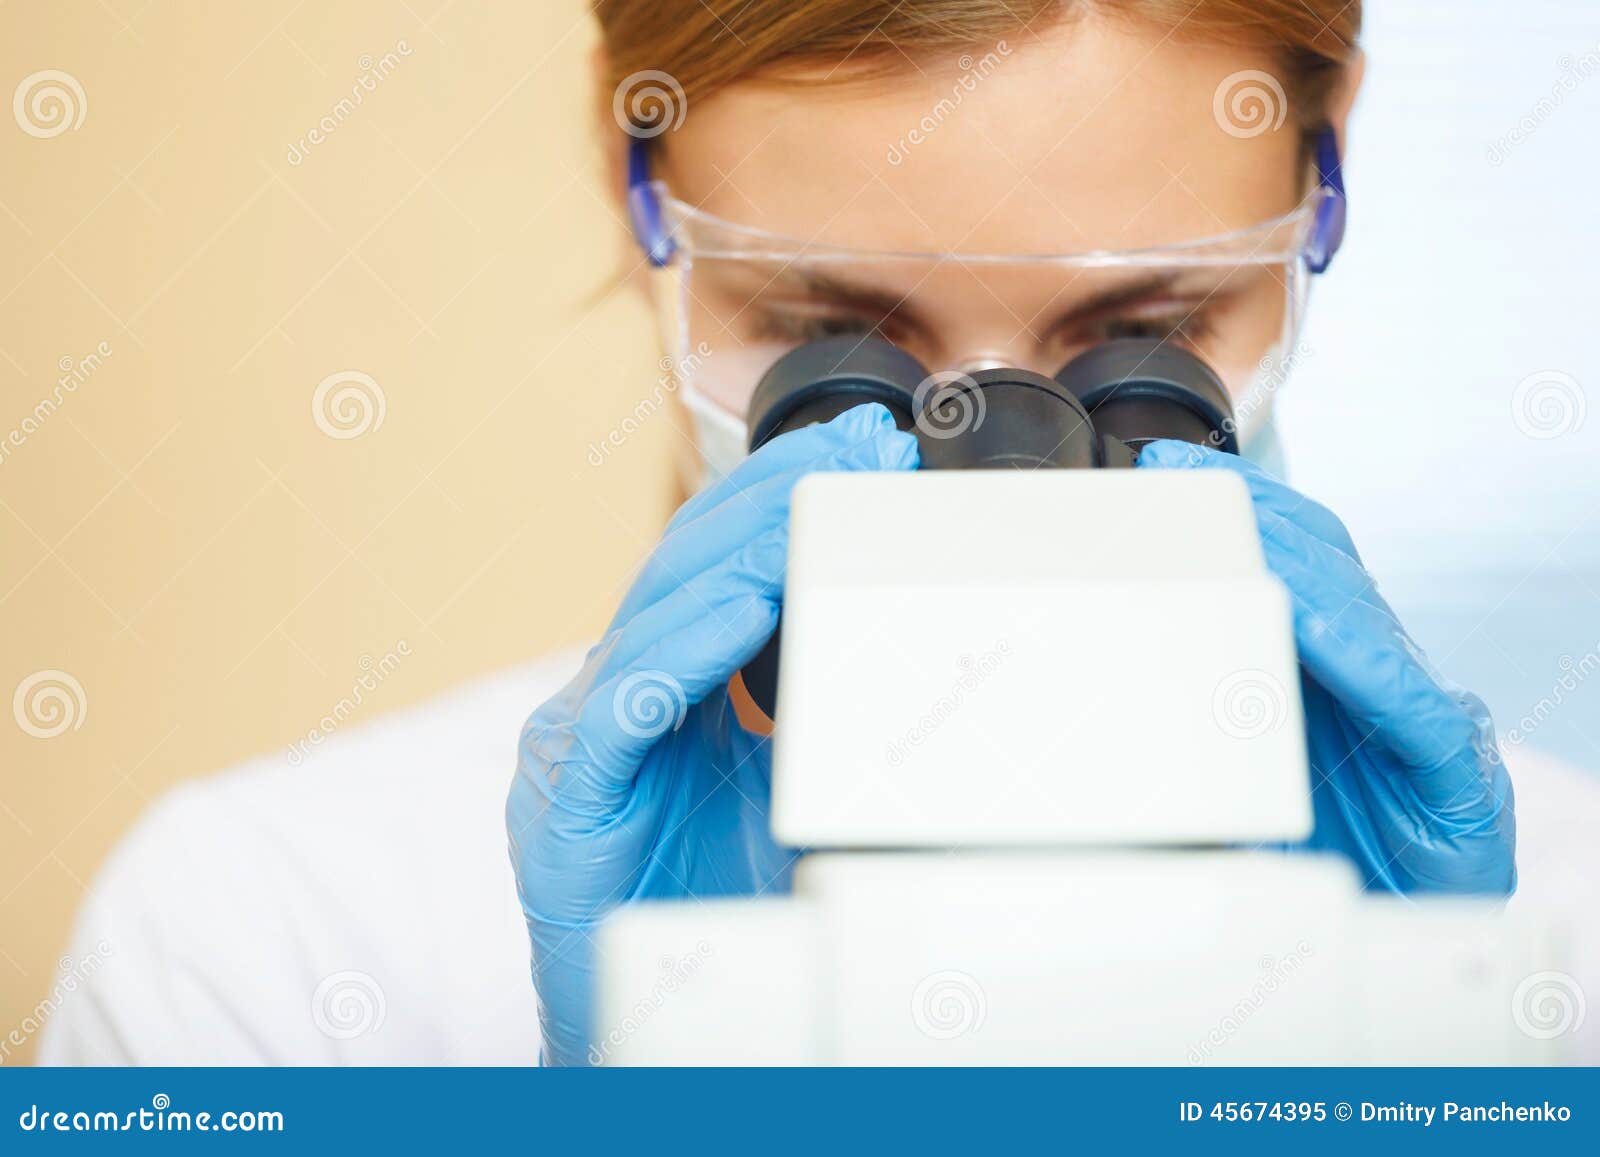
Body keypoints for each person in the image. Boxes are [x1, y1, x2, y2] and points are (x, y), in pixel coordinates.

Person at [41, 0, 1585, 1067]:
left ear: (1327, 178)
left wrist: (1412, 1063)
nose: (993, 454)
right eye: (833, 335)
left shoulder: (1560, 917)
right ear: (633, 180)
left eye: (1148, 332)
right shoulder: (260, 936)